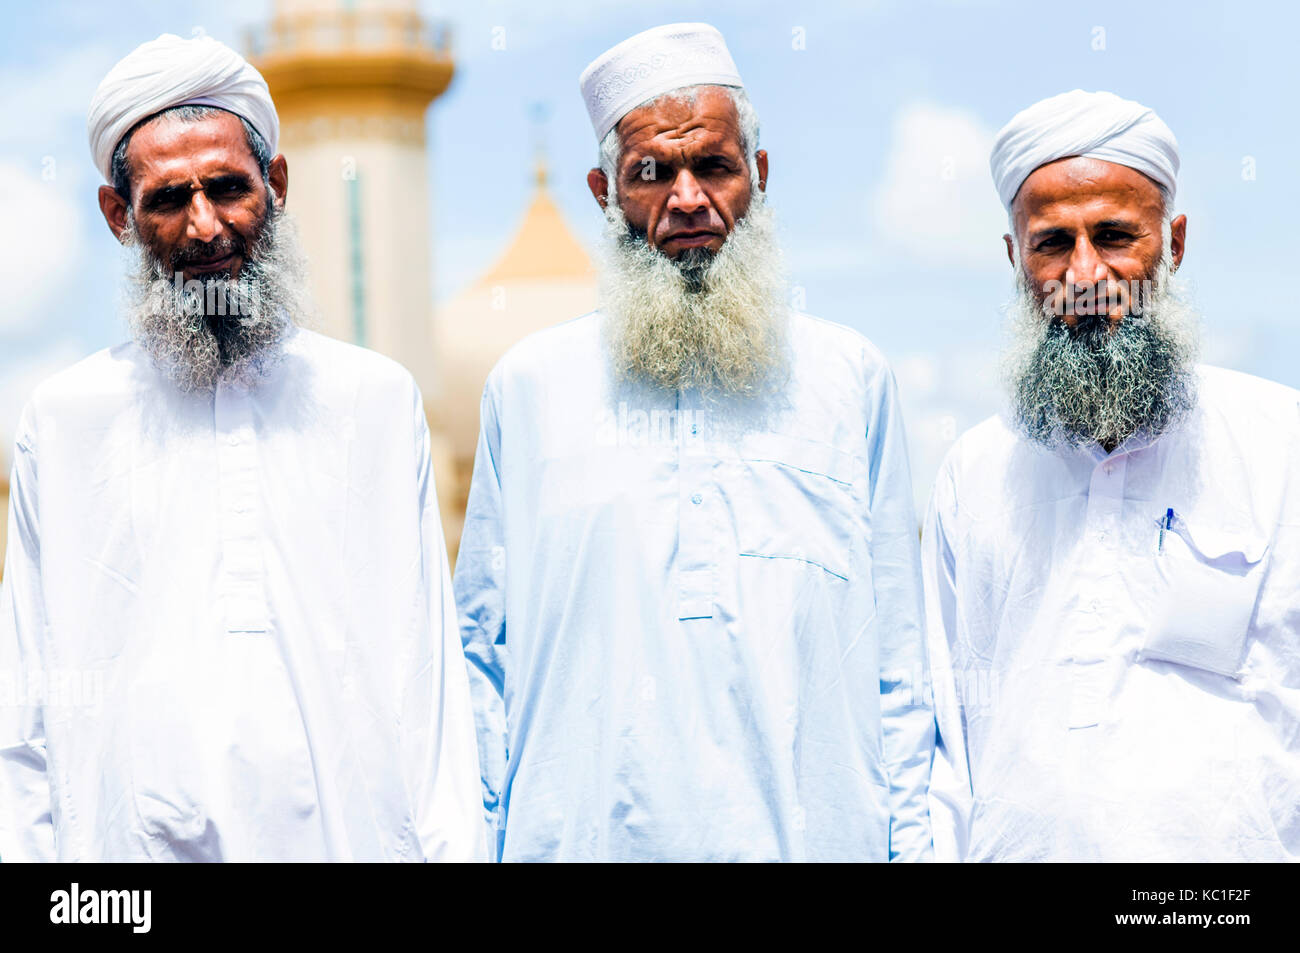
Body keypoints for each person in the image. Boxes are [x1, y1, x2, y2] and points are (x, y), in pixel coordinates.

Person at [0, 33, 484, 862]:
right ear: (119, 217)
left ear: (278, 184)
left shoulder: (371, 400)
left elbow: (428, 686)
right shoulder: (65, 419)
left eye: (229, 187)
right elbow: (27, 702)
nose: (204, 224)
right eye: (166, 199)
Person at [455, 23, 933, 862]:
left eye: (712, 165)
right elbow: (479, 666)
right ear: (606, 190)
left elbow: (899, 657)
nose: (686, 199)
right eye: (651, 173)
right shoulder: (529, 386)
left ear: (759, 176)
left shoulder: (848, 377)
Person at [924, 89, 1300, 861]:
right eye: (1052, 242)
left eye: (1116, 236)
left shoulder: (1281, 444)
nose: (1084, 272)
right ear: (1013, 258)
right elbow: (947, 741)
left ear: (1176, 242)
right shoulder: (975, 471)